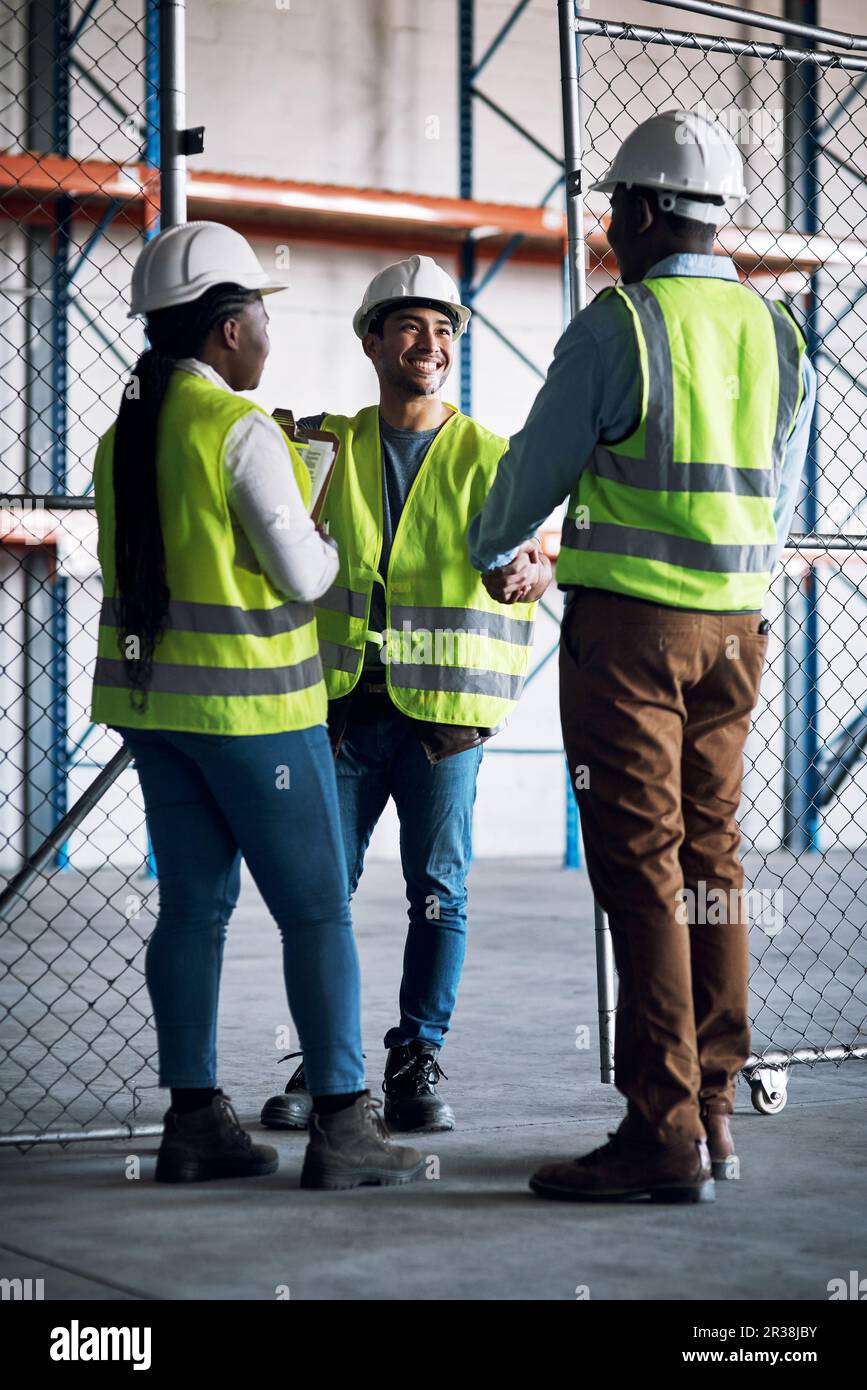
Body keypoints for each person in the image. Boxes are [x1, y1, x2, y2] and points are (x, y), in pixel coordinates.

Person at [469, 110, 816, 1202]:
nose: (609, 223)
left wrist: (496, 549)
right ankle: (715, 1110)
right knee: (712, 866)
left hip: (631, 646)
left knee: (643, 874)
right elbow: (759, 491)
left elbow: (535, 465)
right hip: (738, 635)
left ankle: (658, 1130)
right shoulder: (778, 334)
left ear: (652, 211)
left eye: (617, 204)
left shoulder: (621, 323)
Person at [90, 220, 423, 1190]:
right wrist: (316, 530)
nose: (268, 339)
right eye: (260, 321)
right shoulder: (241, 431)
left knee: (192, 909)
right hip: (257, 718)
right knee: (317, 911)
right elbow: (305, 573)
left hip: (159, 716)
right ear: (229, 330)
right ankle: (342, 1125)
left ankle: (194, 1121)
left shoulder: (126, 434)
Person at [260, 254, 551, 1135]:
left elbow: (534, 560)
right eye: (411, 327)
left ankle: (416, 1058)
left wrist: (528, 577)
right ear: (370, 340)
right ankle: (331, 1064)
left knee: (438, 890)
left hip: (442, 721)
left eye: (444, 330)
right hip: (340, 711)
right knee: (321, 891)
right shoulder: (322, 444)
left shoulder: (487, 454)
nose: (429, 344)